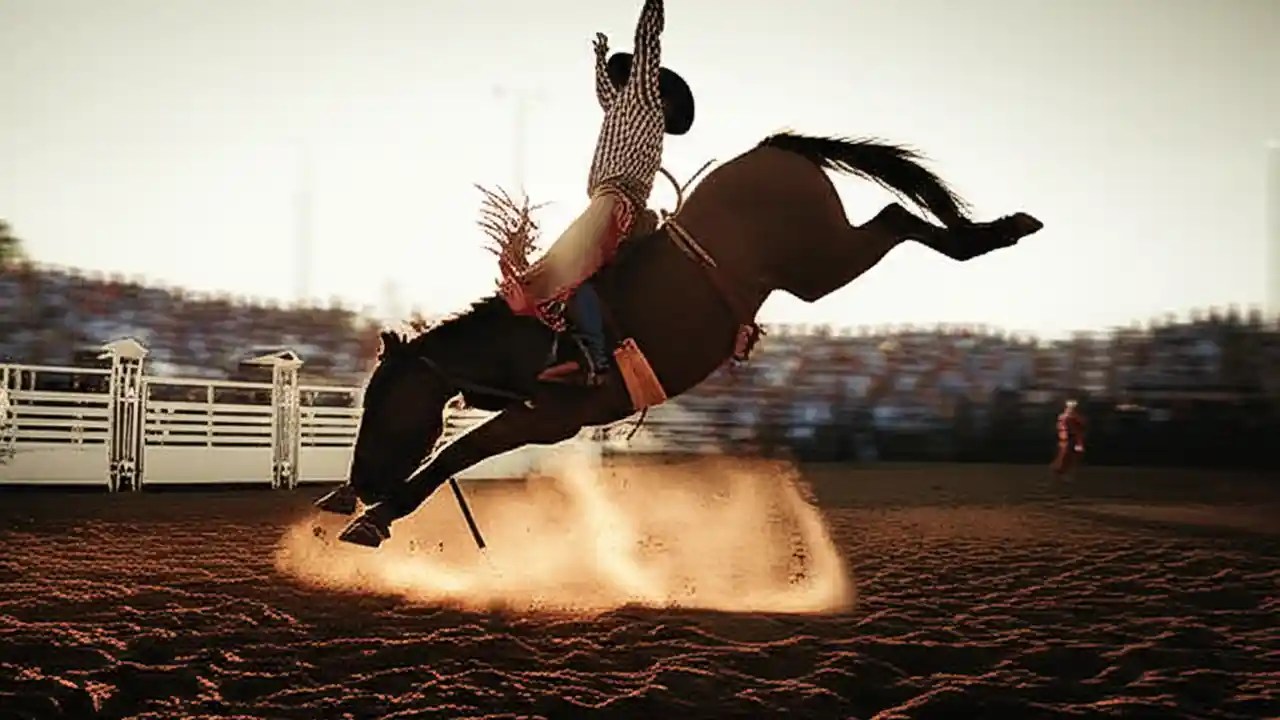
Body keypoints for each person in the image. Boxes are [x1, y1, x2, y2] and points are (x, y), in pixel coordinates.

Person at [504, 0, 694, 385]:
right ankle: (577, 353)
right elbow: (605, 93)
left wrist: (652, 6)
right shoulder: (621, 105)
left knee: (564, 266)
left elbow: (646, 44)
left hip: (616, 202)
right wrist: (600, 58)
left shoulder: (644, 101)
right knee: (577, 277)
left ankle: (594, 357)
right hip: (605, 201)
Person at [1051, 399, 1087, 480]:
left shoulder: (1073, 417)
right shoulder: (1066, 417)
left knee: (1071, 457)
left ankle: (1064, 472)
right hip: (1067, 439)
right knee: (1064, 456)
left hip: (1072, 439)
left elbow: (1081, 427)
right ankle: (1060, 472)